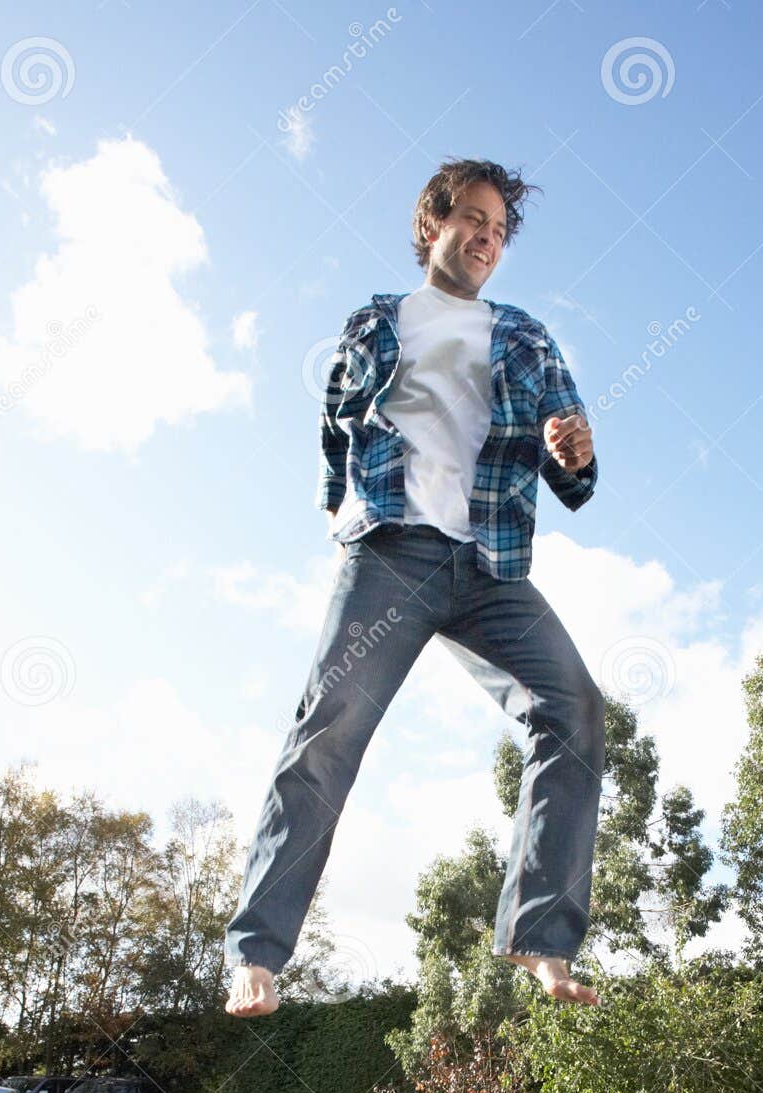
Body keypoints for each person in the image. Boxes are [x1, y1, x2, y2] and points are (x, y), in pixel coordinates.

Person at [224, 157, 605, 1017]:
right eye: (473, 218)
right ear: (433, 223)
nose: (487, 238)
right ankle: (257, 953)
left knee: (574, 709)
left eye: (500, 230)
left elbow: (573, 469)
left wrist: (572, 454)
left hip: (489, 564)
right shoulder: (378, 318)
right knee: (329, 731)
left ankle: (542, 940)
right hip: (392, 550)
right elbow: (334, 425)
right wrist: (338, 509)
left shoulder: (528, 334)